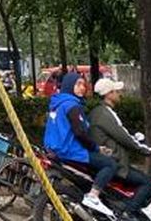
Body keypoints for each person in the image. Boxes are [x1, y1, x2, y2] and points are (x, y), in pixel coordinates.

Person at [89, 78, 151, 221]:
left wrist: (135, 136)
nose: (120, 94)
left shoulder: (98, 112)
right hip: (115, 163)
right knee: (147, 182)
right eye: (117, 91)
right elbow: (125, 139)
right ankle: (129, 213)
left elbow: (122, 132)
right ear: (108, 94)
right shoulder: (106, 114)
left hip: (105, 159)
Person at [44, 72, 117, 218]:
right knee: (110, 165)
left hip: (53, 149)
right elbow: (80, 133)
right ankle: (93, 196)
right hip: (69, 150)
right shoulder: (72, 106)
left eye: (83, 84)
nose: (82, 88)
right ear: (69, 85)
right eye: (78, 84)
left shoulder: (58, 103)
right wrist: (97, 148)